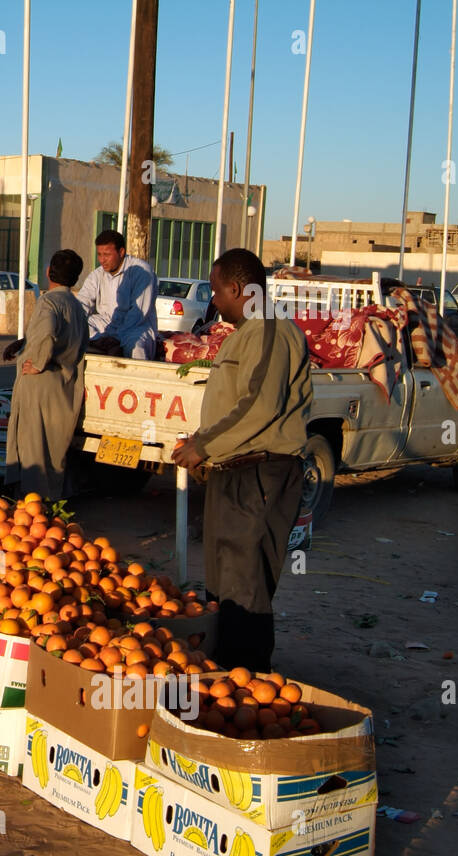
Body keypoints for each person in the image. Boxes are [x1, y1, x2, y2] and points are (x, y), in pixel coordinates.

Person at [171, 248, 313, 672]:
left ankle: (248, 679)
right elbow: (238, 404)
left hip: (259, 473)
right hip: (234, 472)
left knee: (244, 584)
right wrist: (202, 443)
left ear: (237, 288)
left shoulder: (269, 329)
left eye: (215, 292)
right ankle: (227, 671)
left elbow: (259, 405)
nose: (213, 301)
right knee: (224, 583)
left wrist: (205, 446)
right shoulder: (248, 333)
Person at [2, 250, 89, 499]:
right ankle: (54, 505)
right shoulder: (76, 306)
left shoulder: (48, 301)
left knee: (33, 452)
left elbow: (49, 331)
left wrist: (38, 362)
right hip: (64, 387)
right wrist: (23, 343)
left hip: (39, 386)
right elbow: (64, 337)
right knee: (53, 451)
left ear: (49, 272)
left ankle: (34, 510)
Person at [75, 229, 158, 360]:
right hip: (105, 323)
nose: (102, 260)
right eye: (99, 254)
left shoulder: (142, 272)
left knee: (135, 346)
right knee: (79, 328)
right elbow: (82, 303)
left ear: (121, 252)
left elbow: (138, 314)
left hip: (136, 327)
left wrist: (114, 337)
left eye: (107, 255)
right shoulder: (97, 274)